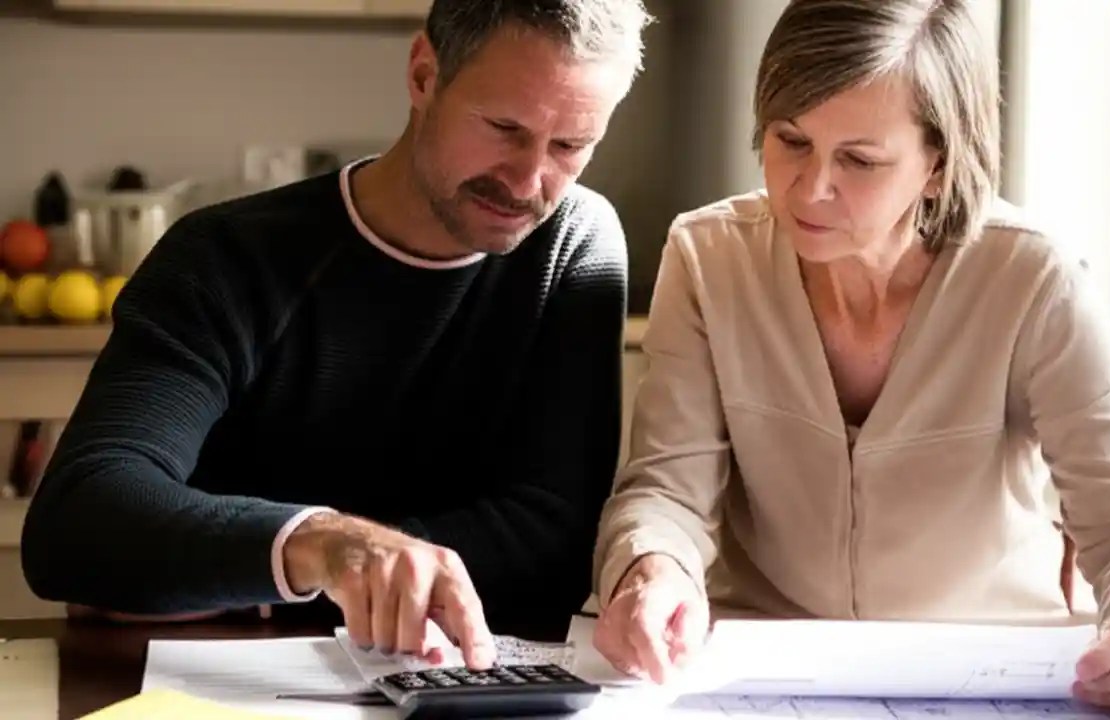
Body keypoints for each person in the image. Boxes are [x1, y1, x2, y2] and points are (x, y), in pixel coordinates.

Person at [590, 0, 1110, 716]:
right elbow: (665, 488)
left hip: (989, 681)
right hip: (757, 681)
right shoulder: (707, 257)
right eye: (790, 140)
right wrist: (653, 569)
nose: (810, 187)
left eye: (858, 159)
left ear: (937, 165)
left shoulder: (1033, 278)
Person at [21, 0, 653, 664]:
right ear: (422, 74)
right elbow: (79, 522)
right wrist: (323, 547)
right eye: (503, 127)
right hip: (219, 689)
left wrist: (246, 576)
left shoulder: (573, 245)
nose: (529, 181)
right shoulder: (222, 259)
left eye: (569, 146)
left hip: (461, 682)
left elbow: (551, 547)